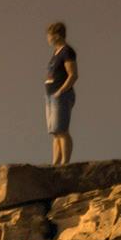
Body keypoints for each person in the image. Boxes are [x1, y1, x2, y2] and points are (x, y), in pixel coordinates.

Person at [44, 22, 79, 167]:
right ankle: (55, 162)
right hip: (50, 95)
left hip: (61, 95)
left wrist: (61, 90)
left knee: (62, 130)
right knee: (55, 132)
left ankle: (65, 163)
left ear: (57, 35)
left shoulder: (67, 52)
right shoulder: (56, 53)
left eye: (49, 35)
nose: (48, 39)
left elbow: (73, 75)